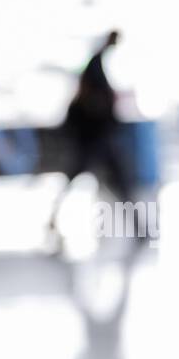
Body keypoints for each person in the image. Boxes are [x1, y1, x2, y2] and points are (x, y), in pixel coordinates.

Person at [50, 31, 131, 233]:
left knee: (119, 184)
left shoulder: (96, 65)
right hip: (94, 139)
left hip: (95, 139)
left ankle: (140, 225)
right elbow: (92, 102)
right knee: (119, 183)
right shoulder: (96, 67)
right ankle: (140, 226)